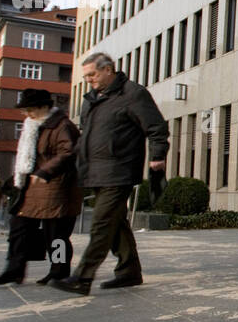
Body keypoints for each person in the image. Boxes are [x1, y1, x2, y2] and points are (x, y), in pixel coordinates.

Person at [52, 52, 168, 296]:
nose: (89, 80)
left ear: (108, 70)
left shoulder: (132, 94)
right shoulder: (91, 100)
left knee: (102, 224)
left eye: (92, 75)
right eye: (86, 76)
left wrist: (158, 157)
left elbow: (156, 126)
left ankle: (82, 278)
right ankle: (129, 272)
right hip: (94, 171)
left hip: (120, 170)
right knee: (116, 224)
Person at [0, 89, 83, 285]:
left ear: (44, 107)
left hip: (56, 185)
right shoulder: (31, 125)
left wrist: (45, 172)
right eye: (25, 110)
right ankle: (14, 269)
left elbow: (68, 152)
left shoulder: (62, 125)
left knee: (56, 234)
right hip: (31, 186)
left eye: (30, 109)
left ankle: (59, 271)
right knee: (19, 229)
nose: (26, 114)